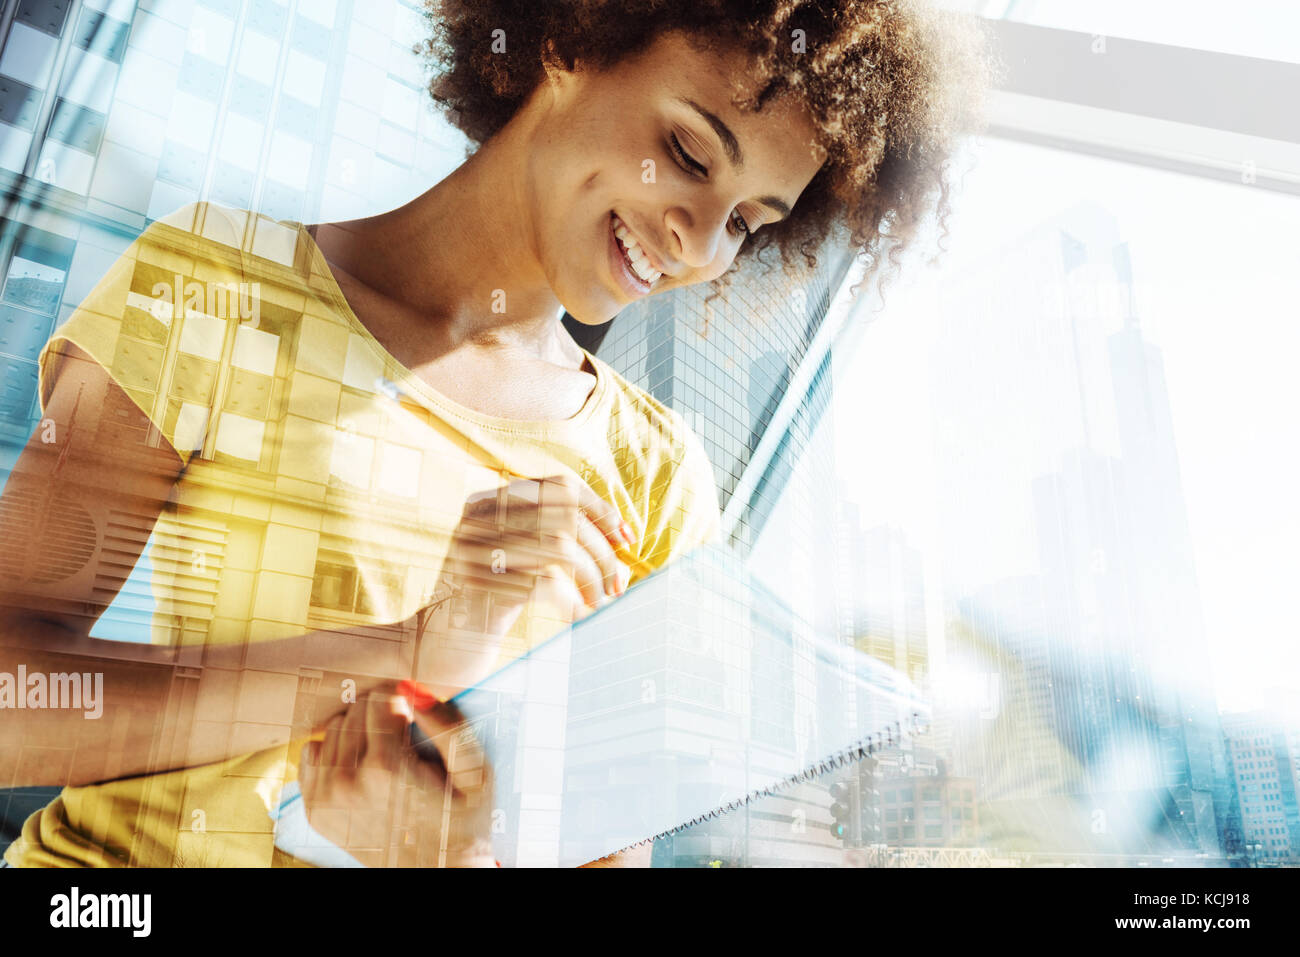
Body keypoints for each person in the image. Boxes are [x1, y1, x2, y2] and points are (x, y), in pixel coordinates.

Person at [0, 0, 995, 867]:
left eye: (745, 222)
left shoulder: (651, 483)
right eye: (689, 155)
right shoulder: (219, 287)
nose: (696, 243)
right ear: (570, 36)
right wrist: (400, 653)